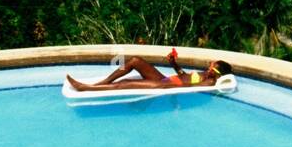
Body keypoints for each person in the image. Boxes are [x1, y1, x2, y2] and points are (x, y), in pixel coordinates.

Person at [65, 50, 233, 92]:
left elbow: (187, 86)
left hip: (162, 86)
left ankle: (86, 88)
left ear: (216, 71)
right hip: (165, 79)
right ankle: (103, 83)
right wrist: (174, 62)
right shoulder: (203, 74)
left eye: (212, 65)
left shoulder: (209, 81)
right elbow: (184, 76)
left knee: (125, 84)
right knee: (135, 61)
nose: (209, 64)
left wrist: (214, 77)